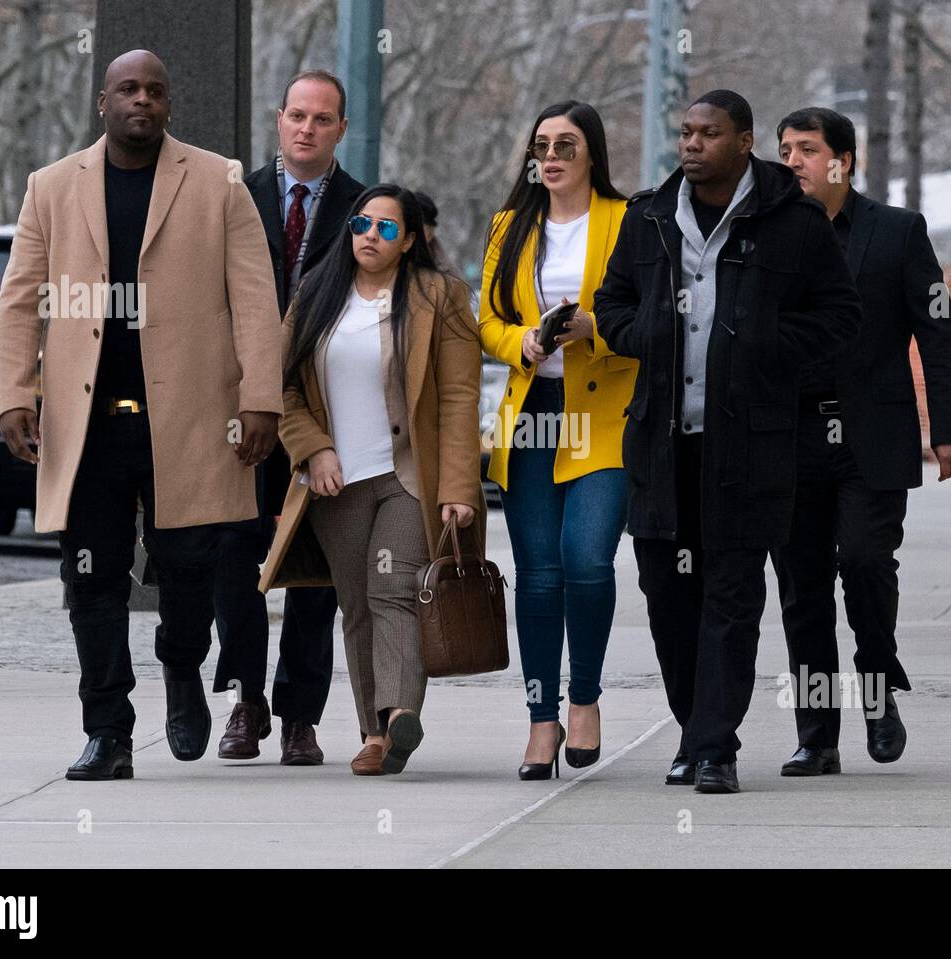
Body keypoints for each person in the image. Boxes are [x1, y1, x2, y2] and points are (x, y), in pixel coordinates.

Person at [0, 50, 282, 780]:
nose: (142, 101)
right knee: (91, 577)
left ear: (169, 104)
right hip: (87, 424)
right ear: (103, 102)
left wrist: (260, 399)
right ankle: (108, 731)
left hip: (189, 418)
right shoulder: (52, 188)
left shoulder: (218, 182)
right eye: (128, 89)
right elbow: (20, 300)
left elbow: (254, 300)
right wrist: (14, 396)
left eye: (155, 90)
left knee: (188, 567)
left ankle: (182, 667)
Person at [594, 90, 862, 794]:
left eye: (707, 134)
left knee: (732, 596)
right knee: (667, 594)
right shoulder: (649, 216)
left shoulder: (794, 221)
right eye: (684, 132)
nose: (690, 144)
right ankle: (694, 729)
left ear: (743, 142)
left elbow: (840, 314)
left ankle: (715, 746)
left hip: (748, 447)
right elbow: (611, 303)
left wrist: (770, 344)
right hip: (661, 443)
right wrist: (646, 333)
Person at [773, 107, 951, 776]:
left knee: (863, 561)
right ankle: (817, 735)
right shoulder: (767, 235)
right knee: (801, 589)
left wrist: (950, 430)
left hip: (872, 437)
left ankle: (878, 687)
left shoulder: (897, 232)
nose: (793, 160)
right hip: (791, 437)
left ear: (844, 161)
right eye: (785, 149)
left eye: (806, 148)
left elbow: (936, 333)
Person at [259, 185, 482, 777]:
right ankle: (373, 731)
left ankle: (397, 715)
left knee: (393, 591)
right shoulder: (315, 294)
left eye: (387, 228)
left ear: (410, 240)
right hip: (337, 482)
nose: (370, 236)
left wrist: (459, 488)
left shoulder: (441, 297)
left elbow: (460, 397)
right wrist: (314, 451)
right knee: (356, 605)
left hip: (408, 477)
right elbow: (277, 387)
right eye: (362, 223)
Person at [211, 69, 365, 766]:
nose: (307, 128)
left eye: (322, 118)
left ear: (340, 129)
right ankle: (248, 702)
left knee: (317, 569)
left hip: (327, 414)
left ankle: (301, 715)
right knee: (234, 557)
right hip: (240, 411)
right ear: (279, 120)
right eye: (296, 115)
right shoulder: (233, 198)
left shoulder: (367, 208)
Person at [478, 100, 634, 780]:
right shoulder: (511, 226)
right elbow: (485, 319)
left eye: (566, 146)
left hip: (603, 413)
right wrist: (527, 340)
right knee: (538, 575)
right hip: (534, 410)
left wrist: (589, 328)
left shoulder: (627, 221)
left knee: (587, 562)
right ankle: (542, 721)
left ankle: (585, 699)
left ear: (591, 154)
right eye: (542, 145)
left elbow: (646, 313)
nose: (552, 156)